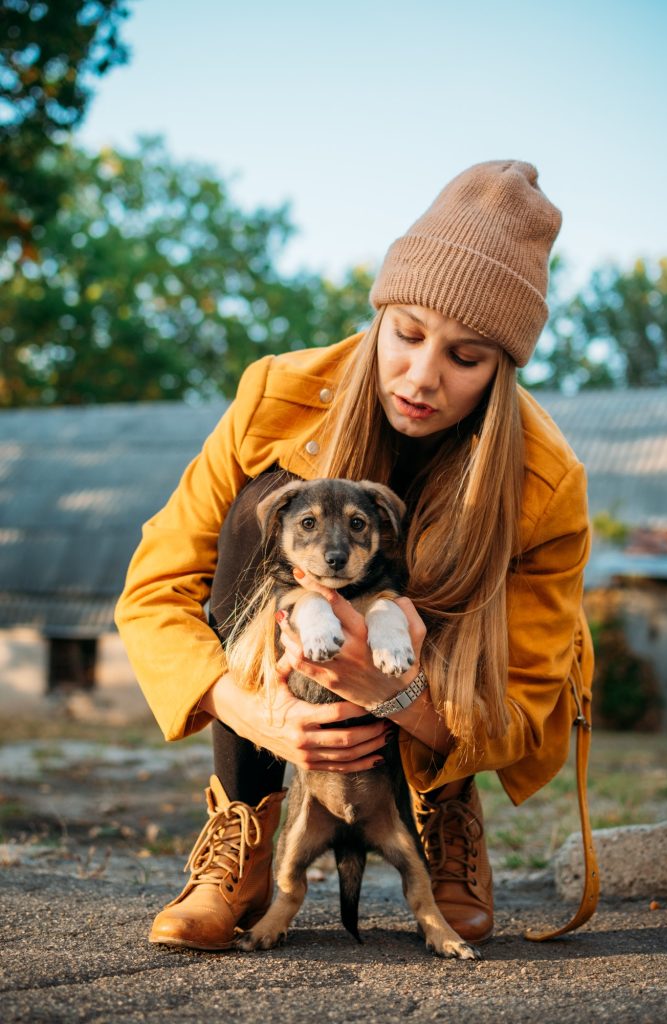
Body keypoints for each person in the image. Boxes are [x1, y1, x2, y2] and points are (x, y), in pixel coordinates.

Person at [115, 159, 594, 951]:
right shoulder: (276, 393)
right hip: (277, 691)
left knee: (469, 554)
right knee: (258, 510)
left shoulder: (546, 481)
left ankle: (440, 801)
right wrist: (258, 714)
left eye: (465, 358)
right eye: (406, 335)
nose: (421, 377)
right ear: (380, 315)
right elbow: (155, 587)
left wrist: (396, 696)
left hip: (432, 691)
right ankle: (248, 823)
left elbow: (523, 700)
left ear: (502, 367)